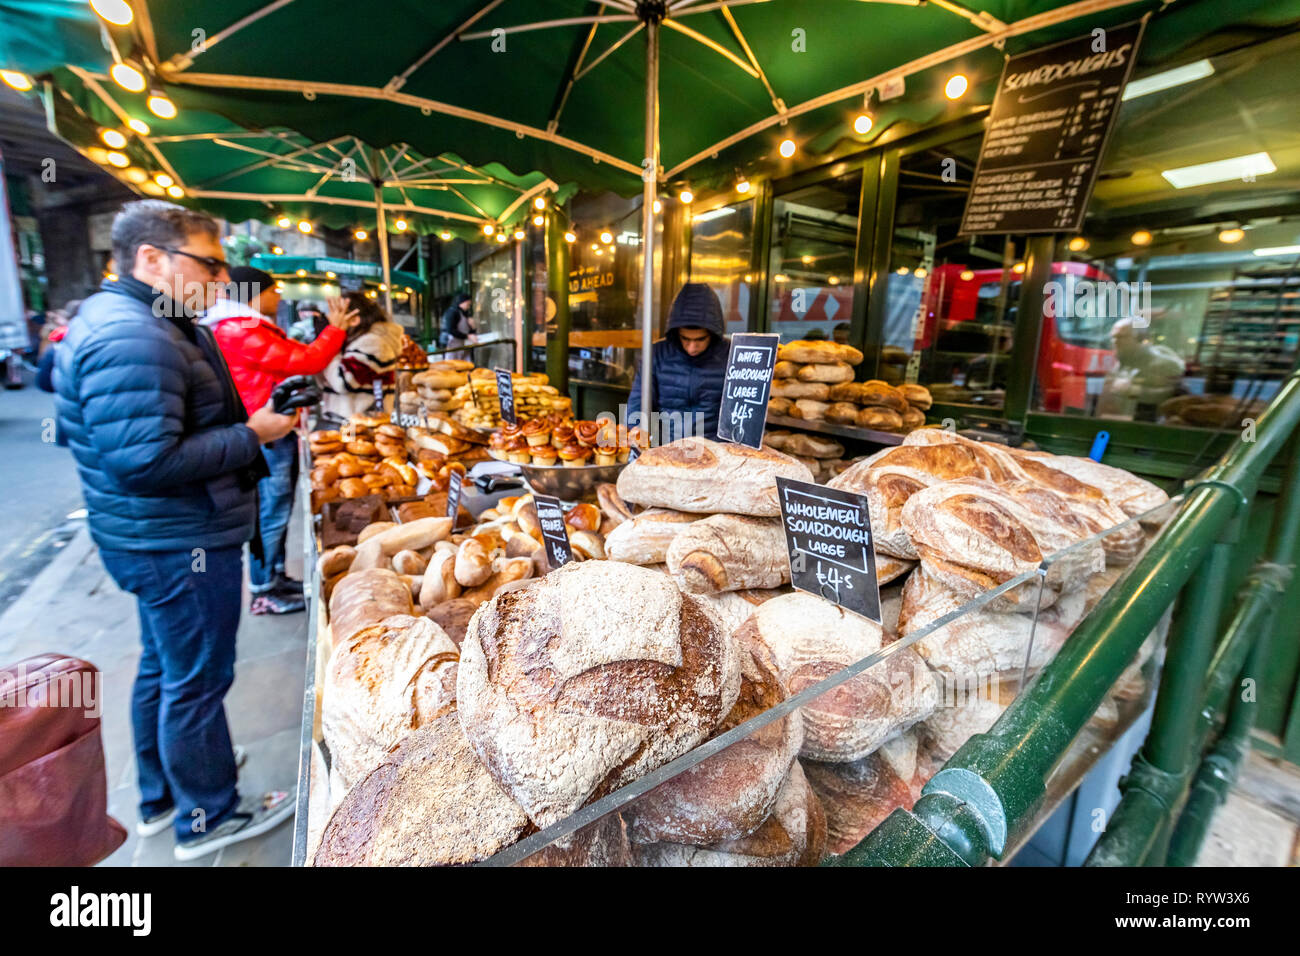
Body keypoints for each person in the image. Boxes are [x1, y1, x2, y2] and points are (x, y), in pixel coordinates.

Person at [53, 199, 298, 861]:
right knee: (197, 678)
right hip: (174, 538)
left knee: (167, 668)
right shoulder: (134, 334)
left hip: (154, 534)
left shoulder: (143, 319)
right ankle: (206, 814)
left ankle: (166, 790)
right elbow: (146, 460)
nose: (221, 278)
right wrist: (254, 435)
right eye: (210, 263)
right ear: (153, 259)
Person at [201, 266, 358, 615]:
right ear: (257, 293)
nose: (279, 296)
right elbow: (305, 360)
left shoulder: (240, 327)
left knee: (275, 509)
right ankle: (265, 589)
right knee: (271, 509)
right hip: (266, 434)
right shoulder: (240, 329)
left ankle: (273, 576)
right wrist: (336, 329)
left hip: (270, 429)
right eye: (274, 290)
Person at [627, 282, 730, 444]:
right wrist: (637, 430)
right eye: (685, 338)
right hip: (667, 449)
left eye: (700, 339)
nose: (692, 348)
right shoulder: (656, 354)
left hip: (716, 452)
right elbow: (638, 402)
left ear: (713, 333)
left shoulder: (731, 355)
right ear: (676, 333)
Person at [318, 291, 405, 419]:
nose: (331, 319)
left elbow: (342, 382)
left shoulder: (372, 343)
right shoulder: (354, 341)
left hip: (360, 427)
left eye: (337, 313)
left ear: (354, 319)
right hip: (348, 424)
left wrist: (330, 344)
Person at [1097, 317, 1186, 421]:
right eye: (1113, 337)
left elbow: (1172, 397)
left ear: (1141, 338)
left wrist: (1134, 391)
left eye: (1121, 337)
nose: (1115, 342)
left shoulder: (1165, 364)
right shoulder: (1123, 362)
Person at [439, 291, 477, 360]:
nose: (469, 307)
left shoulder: (465, 314)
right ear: (463, 302)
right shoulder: (452, 312)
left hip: (463, 346)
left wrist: (473, 327)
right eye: (468, 304)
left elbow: (469, 331)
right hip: (451, 347)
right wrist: (467, 336)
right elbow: (450, 330)